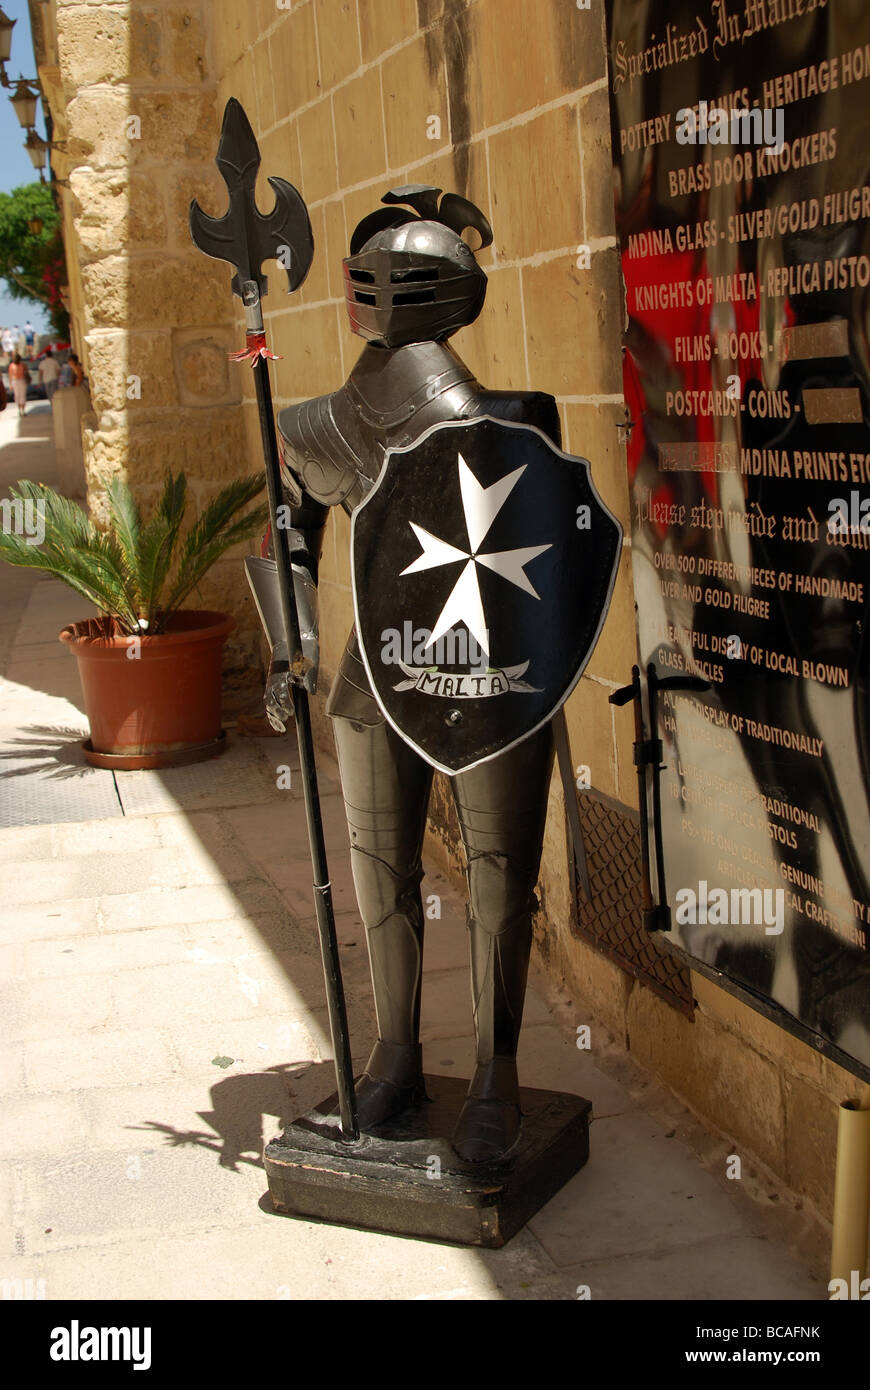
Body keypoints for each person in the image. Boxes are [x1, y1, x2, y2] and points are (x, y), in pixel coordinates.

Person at [8, 352, 29, 416]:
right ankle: (22, 411)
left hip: (15, 381)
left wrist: (11, 384)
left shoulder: (12, 365)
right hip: (22, 381)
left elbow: (10, 375)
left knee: (18, 396)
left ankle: (20, 410)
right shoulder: (23, 365)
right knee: (22, 395)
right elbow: (26, 373)